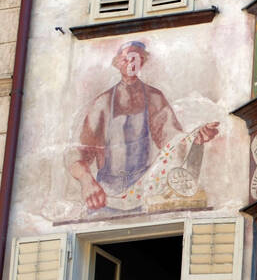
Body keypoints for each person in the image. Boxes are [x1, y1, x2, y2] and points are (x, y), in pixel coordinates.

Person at [68, 41, 219, 211]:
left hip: (144, 191)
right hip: (106, 195)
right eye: (126, 59)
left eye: (137, 59)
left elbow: (172, 140)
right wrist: (87, 182)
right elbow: (79, 155)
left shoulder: (154, 98)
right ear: (117, 63)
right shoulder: (102, 103)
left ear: (143, 62)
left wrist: (194, 138)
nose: (131, 64)